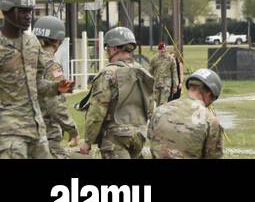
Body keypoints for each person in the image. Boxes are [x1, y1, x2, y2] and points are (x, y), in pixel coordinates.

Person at [81, 26, 155, 159]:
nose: (107, 52)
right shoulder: (142, 72)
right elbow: (150, 106)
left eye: (107, 48)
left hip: (116, 136)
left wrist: (88, 141)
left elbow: (97, 111)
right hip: (139, 134)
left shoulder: (108, 73)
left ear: (114, 48)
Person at [0, 0, 50, 159]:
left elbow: (38, 83)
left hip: (36, 129)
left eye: (30, 11)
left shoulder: (32, 42)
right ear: (6, 10)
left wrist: (58, 87)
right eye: (22, 11)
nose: (28, 16)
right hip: (9, 133)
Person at [147, 67, 224, 159]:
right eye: (212, 99)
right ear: (209, 94)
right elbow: (213, 156)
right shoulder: (210, 120)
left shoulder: (159, 110)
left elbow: (151, 138)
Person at [32, 16, 77, 158]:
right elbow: (55, 104)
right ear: (57, 41)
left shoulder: (23, 61)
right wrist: (71, 128)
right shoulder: (51, 67)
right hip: (46, 135)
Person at [149, 42, 180, 108]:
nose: (162, 50)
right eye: (161, 49)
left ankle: (161, 116)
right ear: (158, 50)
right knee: (157, 103)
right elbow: (150, 71)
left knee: (163, 103)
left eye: (164, 49)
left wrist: (175, 85)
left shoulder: (171, 59)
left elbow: (174, 73)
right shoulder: (154, 59)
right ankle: (157, 116)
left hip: (166, 84)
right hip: (157, 83)